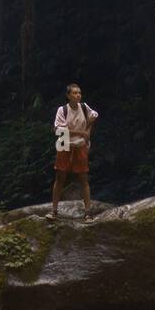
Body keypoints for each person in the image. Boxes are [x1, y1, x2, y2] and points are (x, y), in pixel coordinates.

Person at [52, 82, 98, 221]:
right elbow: (58, 130)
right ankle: (54, 211)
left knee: (83, 178)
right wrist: (81, 132)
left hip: (80, 144)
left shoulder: (84, 107)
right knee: (60, 177)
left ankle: (87, 212)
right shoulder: (62, 110)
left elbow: (94, 116)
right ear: (68, 95)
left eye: (79, 92)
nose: (78, 95)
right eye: (74, 93)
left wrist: (88, 131)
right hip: (63, 142)